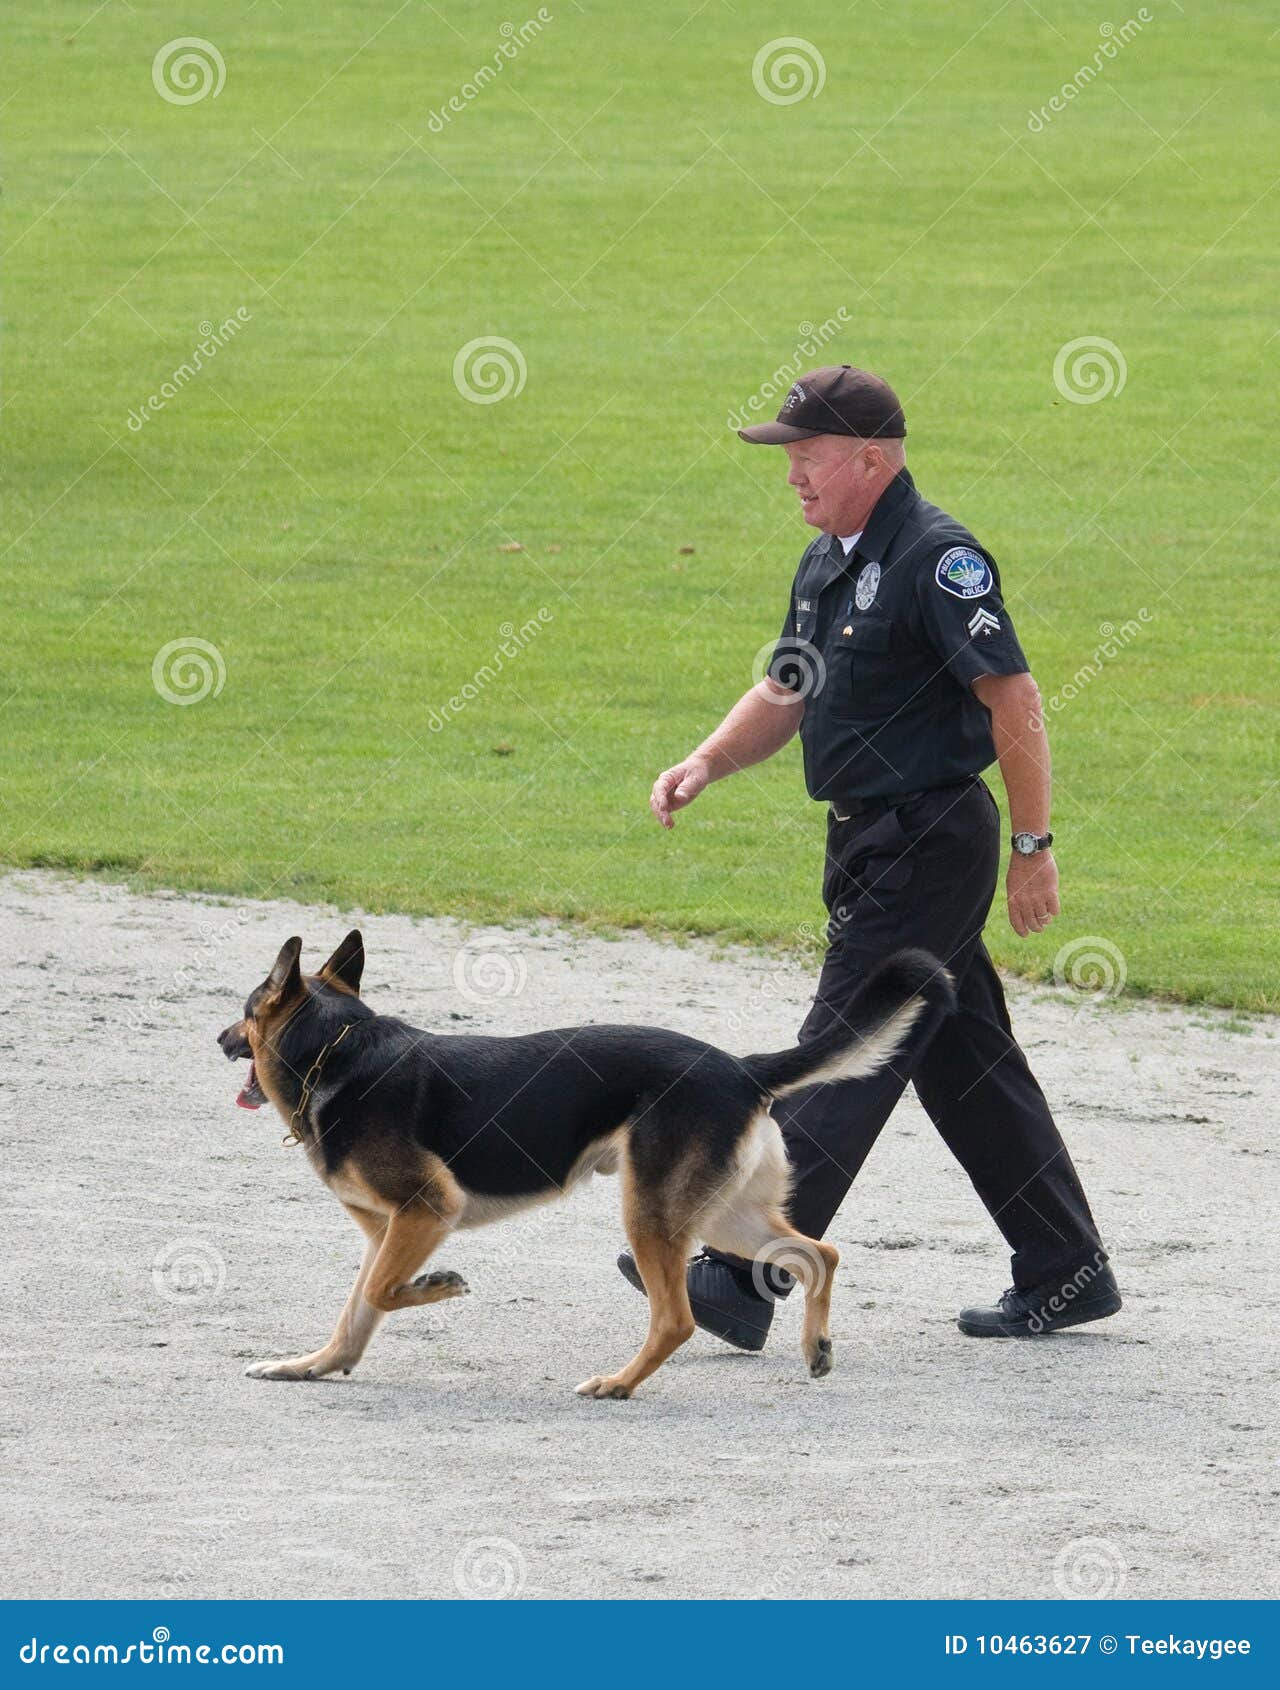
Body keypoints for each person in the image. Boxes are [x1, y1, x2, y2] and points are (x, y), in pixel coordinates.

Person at [618, 365, 1120, 1346]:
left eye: (805, 457)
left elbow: (1011, 700)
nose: (793, 475)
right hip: (868, 842)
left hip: (927, 841)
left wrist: (1031, 846)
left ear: (870, 458)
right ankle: (1065, 1267)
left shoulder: (938, 560)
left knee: (844, 1046)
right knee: (961, 1055)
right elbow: (785, 692)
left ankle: (739, 1265)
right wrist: (707, 761)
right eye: (788, 457)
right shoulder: (826, 561)